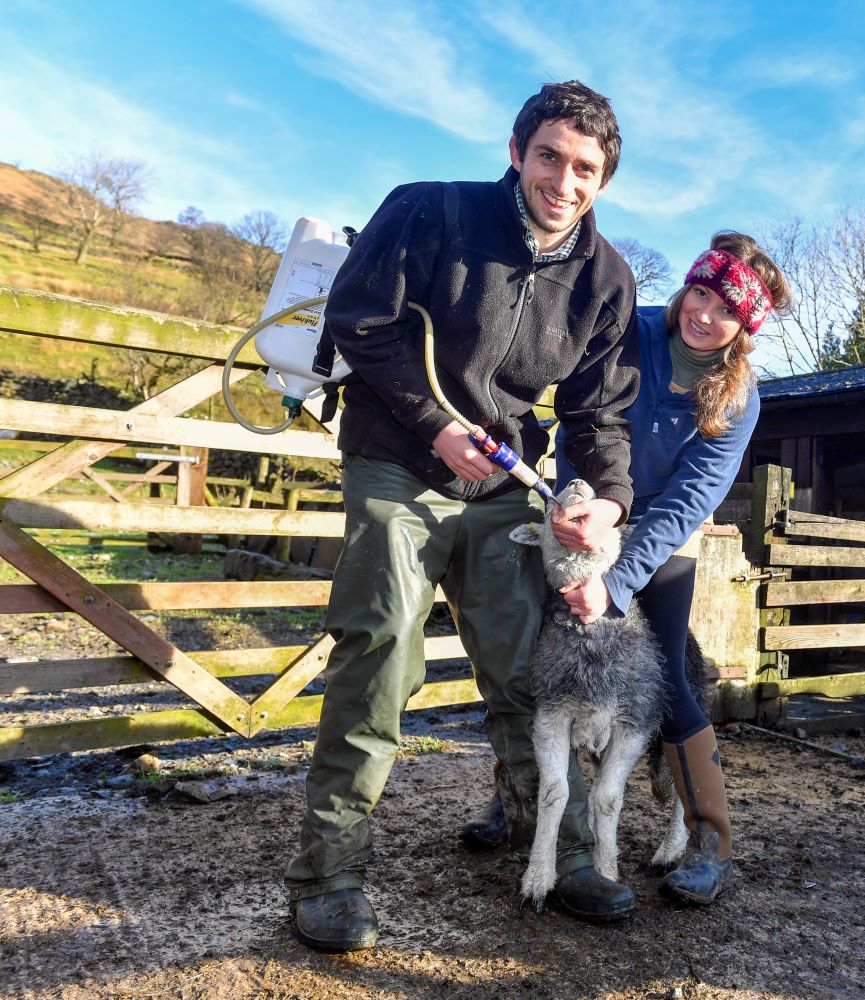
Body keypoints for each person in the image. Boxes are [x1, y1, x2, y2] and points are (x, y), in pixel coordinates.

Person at [286, 80, 642, 952]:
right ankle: (330, 872)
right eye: (549, 155)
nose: (564, 180)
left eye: (585, 167)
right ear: (517, 151)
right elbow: (359, 323)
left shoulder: (606, 279)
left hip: (502, 486)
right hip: (398, 461)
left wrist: (607, 505)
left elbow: (598, 415)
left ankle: (543, 845)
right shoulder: (427, 213)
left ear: (604, 179)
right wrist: (436, 424)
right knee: (378, 653)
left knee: (530, 671)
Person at [465, 232, 790, 906]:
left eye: (724, 309)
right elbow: (582, 419)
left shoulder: (737, 397)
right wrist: (580, 504)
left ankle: (709, 840)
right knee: (530, 650)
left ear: (744, 327)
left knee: (665, 675)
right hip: (584, 513)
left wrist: (615, 583)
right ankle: (519, 793)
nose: (703, 313)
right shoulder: (630, 333)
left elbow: (693, 497)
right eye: (700, 292)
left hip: (659, 536)